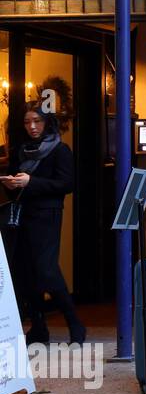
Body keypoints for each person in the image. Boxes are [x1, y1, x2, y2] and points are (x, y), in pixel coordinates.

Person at [2, 103, 84, 345]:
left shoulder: (60, 150)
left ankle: (74, 323)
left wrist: (31, 182)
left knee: (47, 271)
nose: (32, 127)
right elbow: (15, 188)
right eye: (27, 122)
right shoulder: (20, 150)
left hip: (47, 216)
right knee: (26, 272)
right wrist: (11, 184)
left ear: (46, 122)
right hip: (22, 216)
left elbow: (66, 184)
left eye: (36, 121)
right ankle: (38, 328)